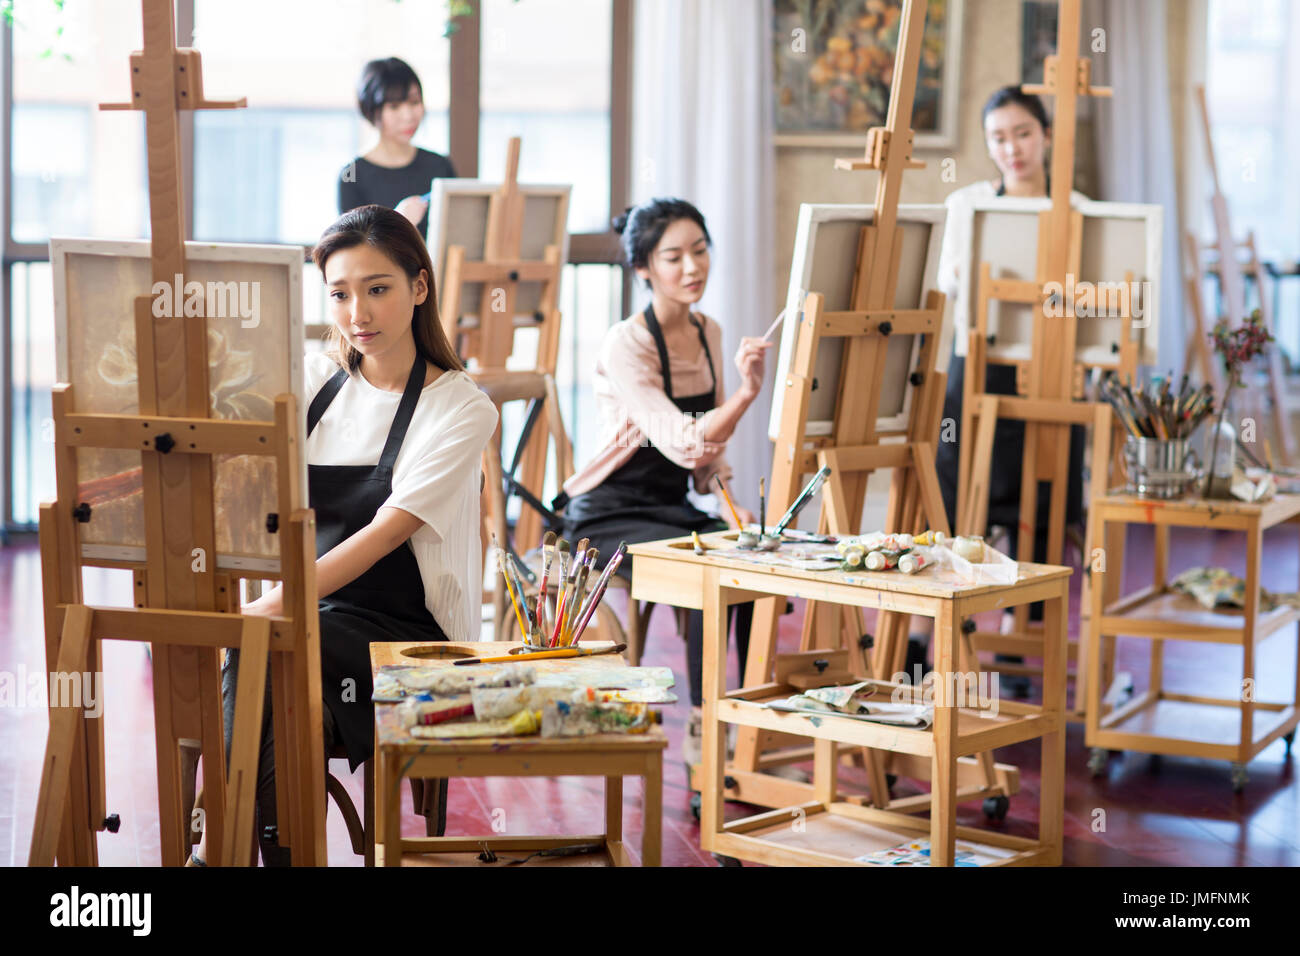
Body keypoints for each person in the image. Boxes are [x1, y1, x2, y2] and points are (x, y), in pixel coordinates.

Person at [193, 205, 497, 865]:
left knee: (261, 646)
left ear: (419, 287)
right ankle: (269, 853)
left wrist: (268, 610)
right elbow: (229, 454)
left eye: (377, 288)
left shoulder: (461, 406)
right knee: (276, 688)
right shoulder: (313, 383)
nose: (357, 310)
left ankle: (214, 848)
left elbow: (386, 535)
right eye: (339, 293)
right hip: (314, 625)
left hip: (410, 645)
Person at [555, 198, 770, 769]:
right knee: (706, 571)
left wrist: (730, 504)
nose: (692, 267)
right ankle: (707, 739)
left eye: (700, 251)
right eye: (673, 257)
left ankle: (747, 722)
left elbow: (705, 462)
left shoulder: (709, 332)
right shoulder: (627, 342)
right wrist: (747, 395)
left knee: (750, 560)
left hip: (670, 508)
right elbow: (684, 440)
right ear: (644, 268)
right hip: (605, 515)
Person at [933, 85, 1088, 695]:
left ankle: (1027, 639)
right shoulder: (968, 202)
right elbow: (951, 281)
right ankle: (943, 630)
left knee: (1048, 504)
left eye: (1022, 133)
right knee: (957, 490)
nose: (1012, 148)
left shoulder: (1074, 207)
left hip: (1051, 372)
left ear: (1045, 134)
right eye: (998, 137)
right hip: (980, 366)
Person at [338, 57, 455, 238]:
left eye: (414, 102)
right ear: (371, 110)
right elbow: (352, 252)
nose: (408, 116)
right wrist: (399, 222)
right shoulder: (351, 174)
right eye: (394, 106)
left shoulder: (439, 165)